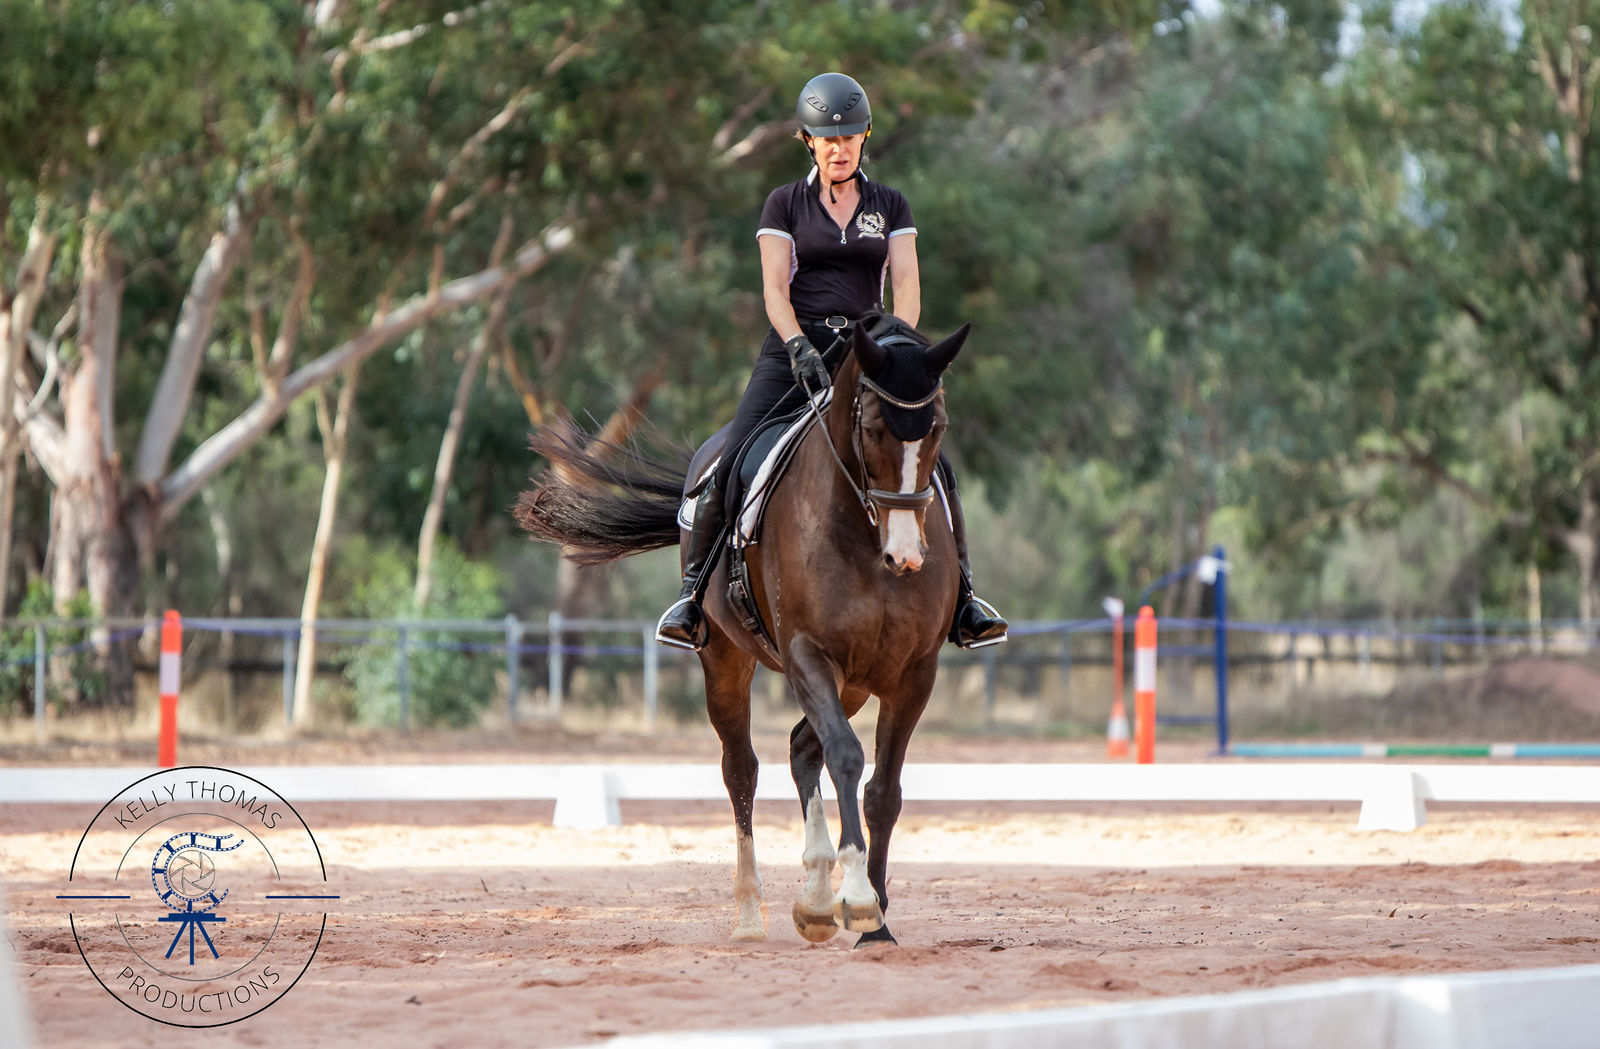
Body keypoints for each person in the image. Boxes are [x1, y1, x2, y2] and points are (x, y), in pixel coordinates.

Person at [656, 71, 1007, 652]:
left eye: (848, 138)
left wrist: (899, 346)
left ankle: (966, 598)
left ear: (864, 136)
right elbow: (774, 290)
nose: (838, 149)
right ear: (807, 141)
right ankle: (692, 597)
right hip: (793, 348)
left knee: (932, 463)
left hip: (870, 351)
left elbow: (907, 285)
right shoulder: (784, 204)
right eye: (827, 139)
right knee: (732, 458)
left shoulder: (890, 204)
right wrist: (797, 344)